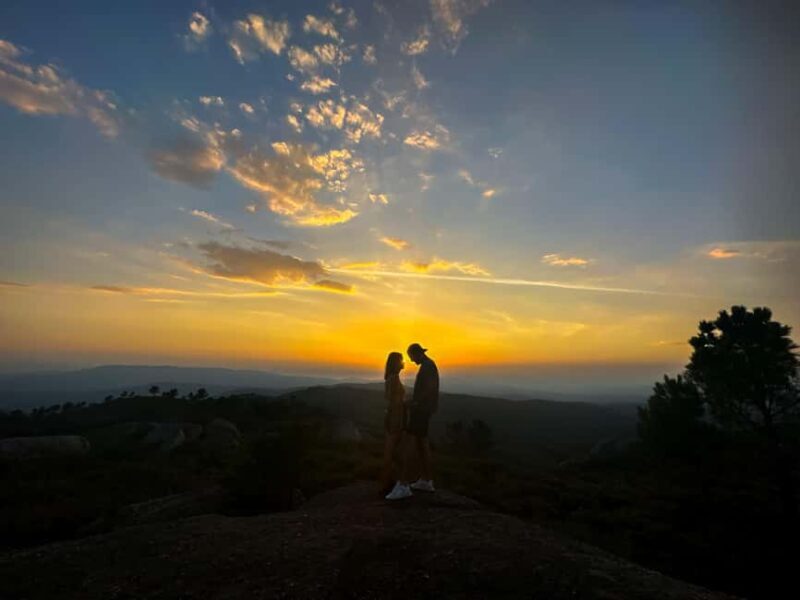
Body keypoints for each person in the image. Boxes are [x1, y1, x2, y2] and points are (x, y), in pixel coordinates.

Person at [385, 343, 439, 500]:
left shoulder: (427, 367)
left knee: (408, 446)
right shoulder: (429, 365)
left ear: (417, 354)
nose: (412, 361)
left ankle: (403, 485)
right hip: (424, 410)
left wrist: (414, 402)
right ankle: (427, 480)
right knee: (422, 445)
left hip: (421, 411)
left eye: (412, 358)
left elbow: (429, 389)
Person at [380, 351, 406, 495]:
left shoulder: (390, 378)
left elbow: (390, 400)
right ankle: (389, 485)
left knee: (391, 453)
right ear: (396, 363)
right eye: (401, 360)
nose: (404, 363)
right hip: (396, 419)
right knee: (393, 454)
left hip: (392, 418)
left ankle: (387, 483)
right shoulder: (394, 378)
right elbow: (395, 403)